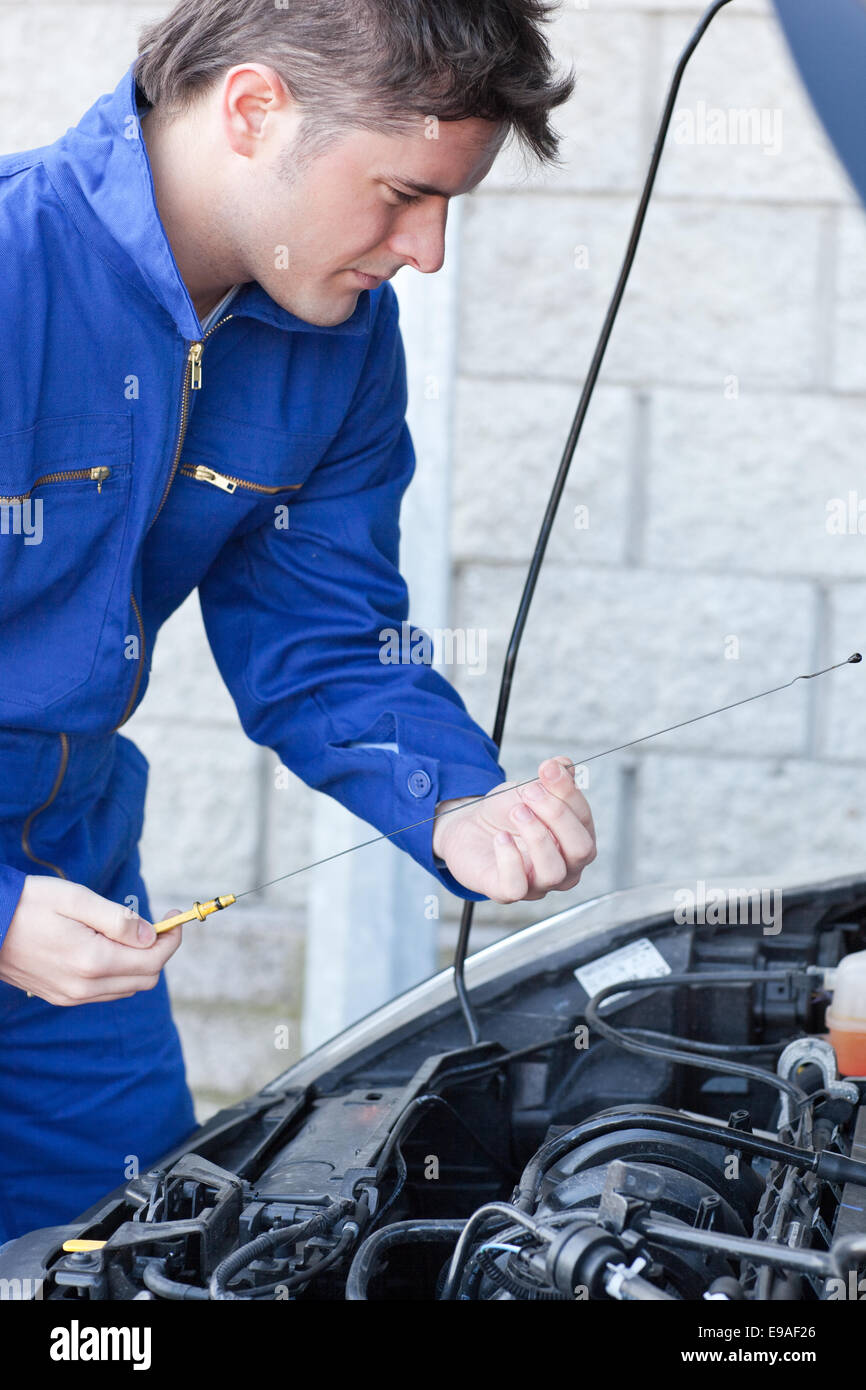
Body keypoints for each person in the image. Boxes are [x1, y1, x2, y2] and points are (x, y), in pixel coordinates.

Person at [0, 0, 596, 1242]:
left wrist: (455, 799)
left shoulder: (335, 343)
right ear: (255, 109)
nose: (425, 252)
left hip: (75, 893)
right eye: (398, 193)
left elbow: (321, 637)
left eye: (448, 204)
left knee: (127, 1265)